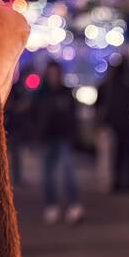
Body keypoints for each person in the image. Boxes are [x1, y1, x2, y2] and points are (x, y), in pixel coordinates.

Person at [33, 61, 82, 225]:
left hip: (63, 137)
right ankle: (51, 205)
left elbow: (73, 115)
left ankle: (73, 205)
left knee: (68, 172)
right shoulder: (41, 94)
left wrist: (74, 134)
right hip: (46, 138)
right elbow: (33, 115)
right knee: (47, 175)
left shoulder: (66, 93)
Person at [96, 52, 129, 194]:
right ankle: (128, 183)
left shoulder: (111, 81)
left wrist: (103, 122)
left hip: (117, 124)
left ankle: (119, 183)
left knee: (118, 155)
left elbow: (101, 103)